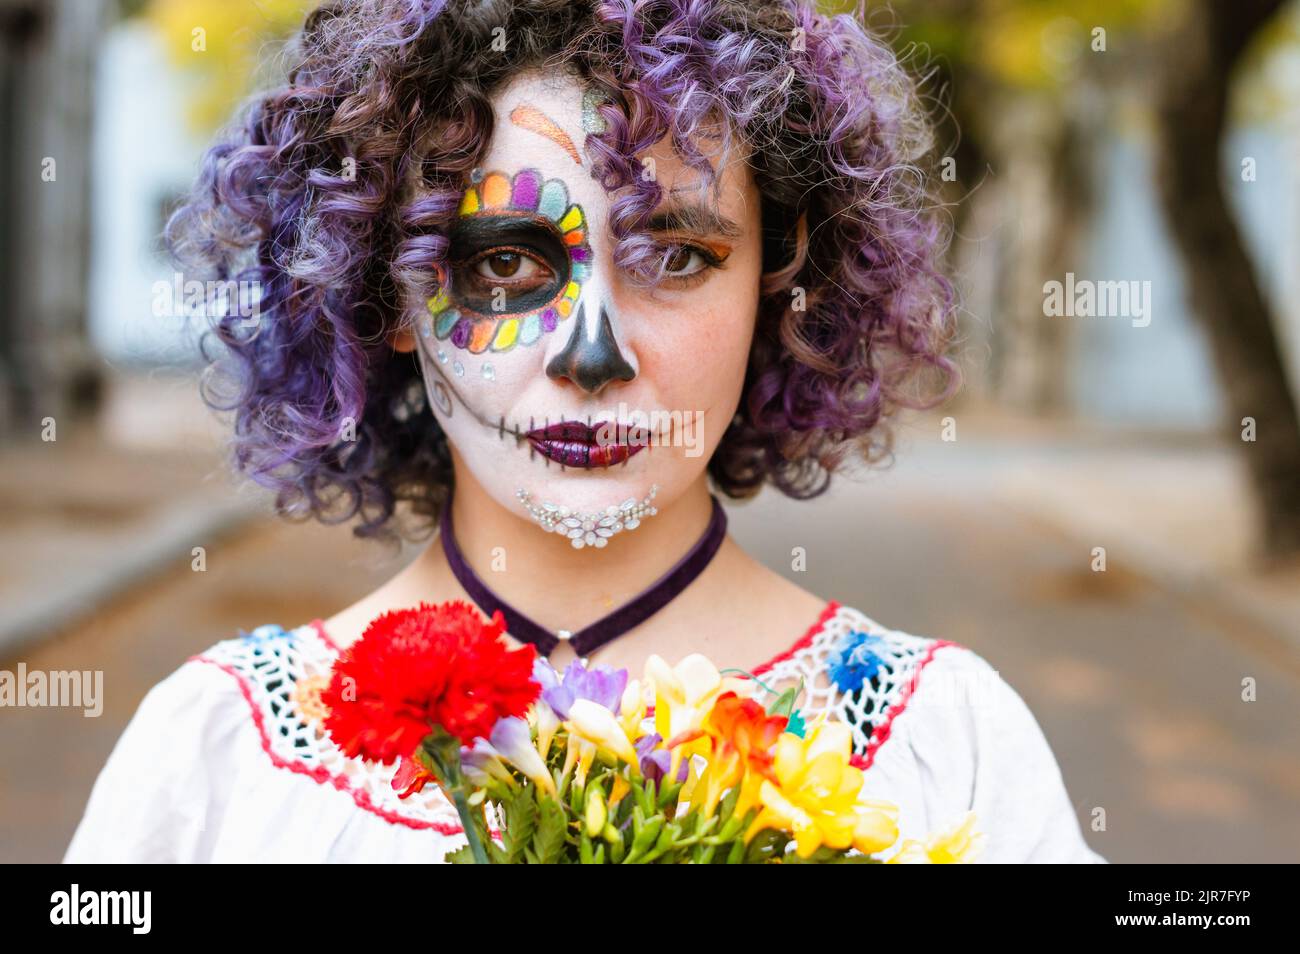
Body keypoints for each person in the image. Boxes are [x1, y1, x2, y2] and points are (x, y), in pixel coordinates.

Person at [64, 0, 1104, 863]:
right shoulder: (212, 765)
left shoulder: (947, 754)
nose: (590, 355)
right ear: (380, 293)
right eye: (504, 266)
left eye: (678, 256)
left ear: (782, 278)